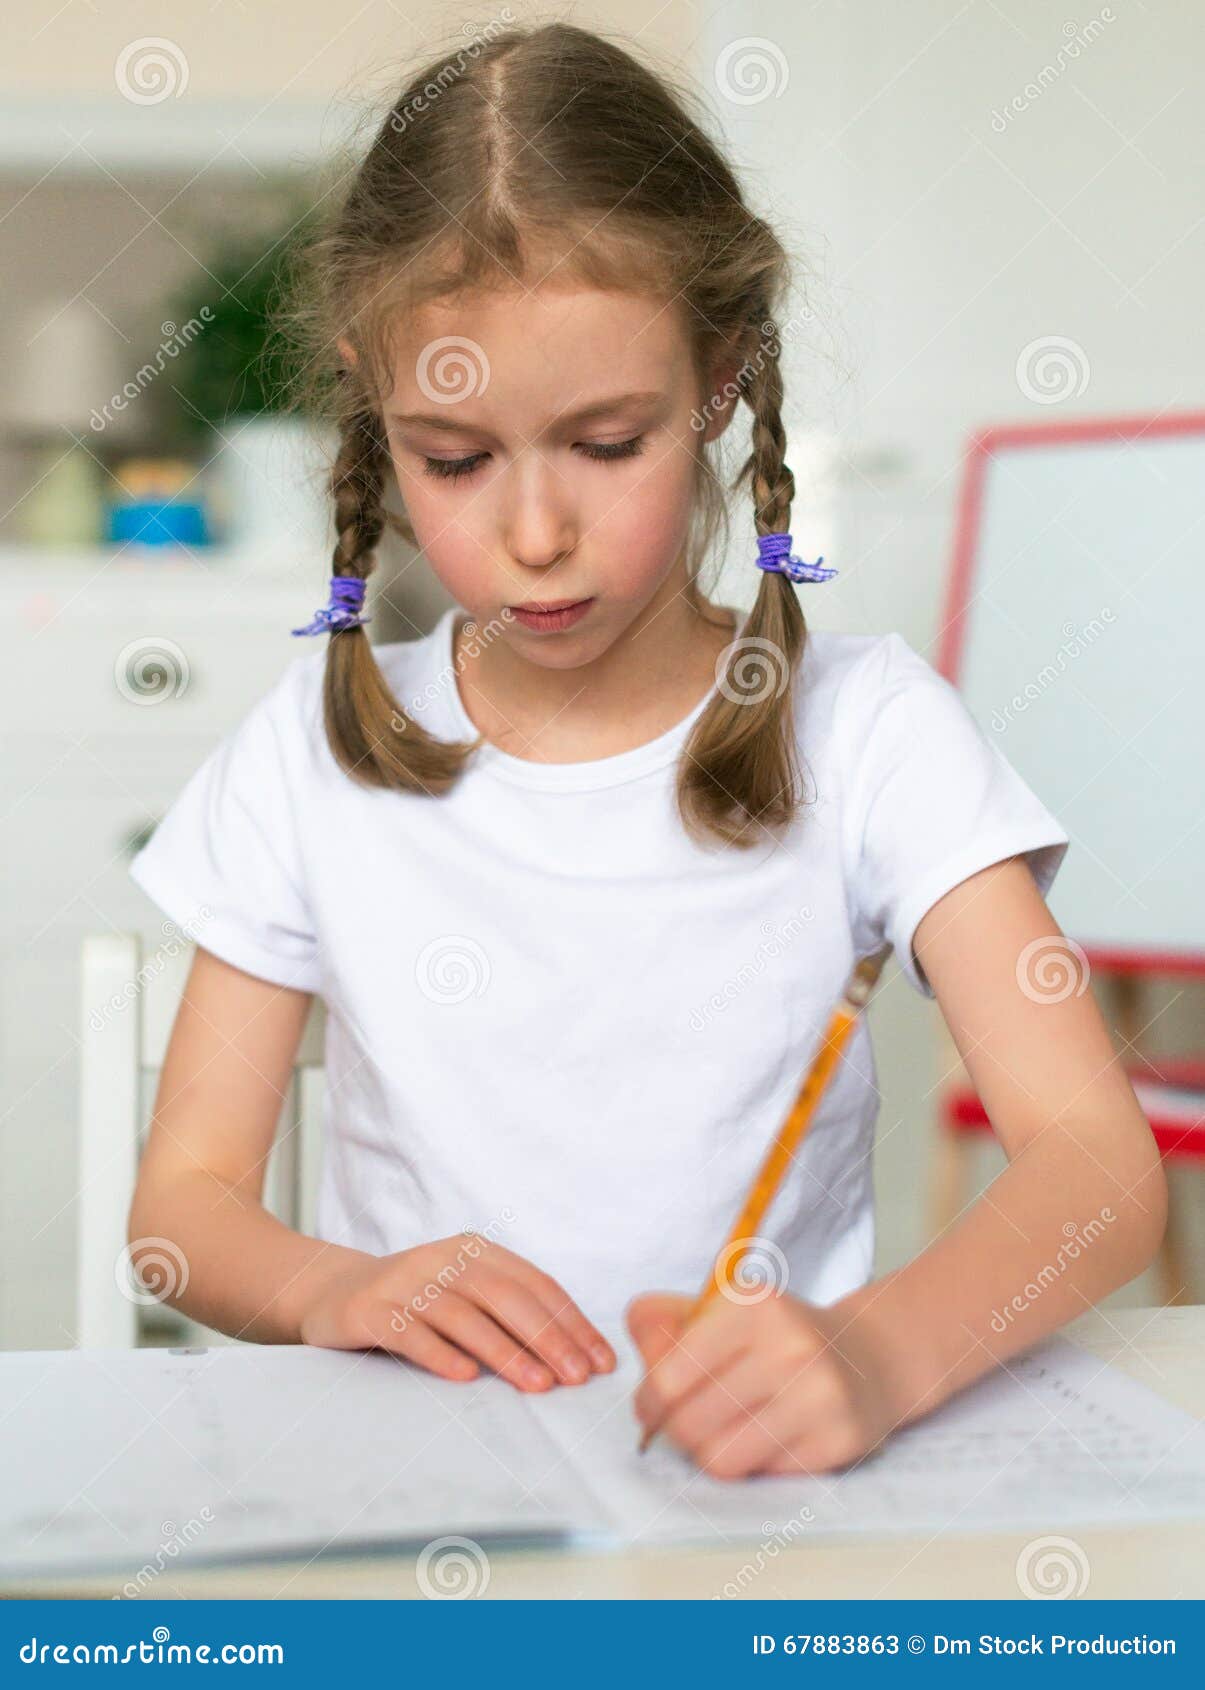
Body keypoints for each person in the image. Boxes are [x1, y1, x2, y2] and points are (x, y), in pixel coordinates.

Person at [127, 20, 1164, 1480]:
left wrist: (873, 1354)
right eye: (455, 457)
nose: (535, 533)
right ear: (373, 395)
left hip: (756, 1501)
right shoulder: (305, 753)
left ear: (721, 376)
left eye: (608, 444)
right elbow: (183, 1207)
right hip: (413, 1489)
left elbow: (1097, 1171)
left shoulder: (870, 735)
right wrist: (329, 1287)